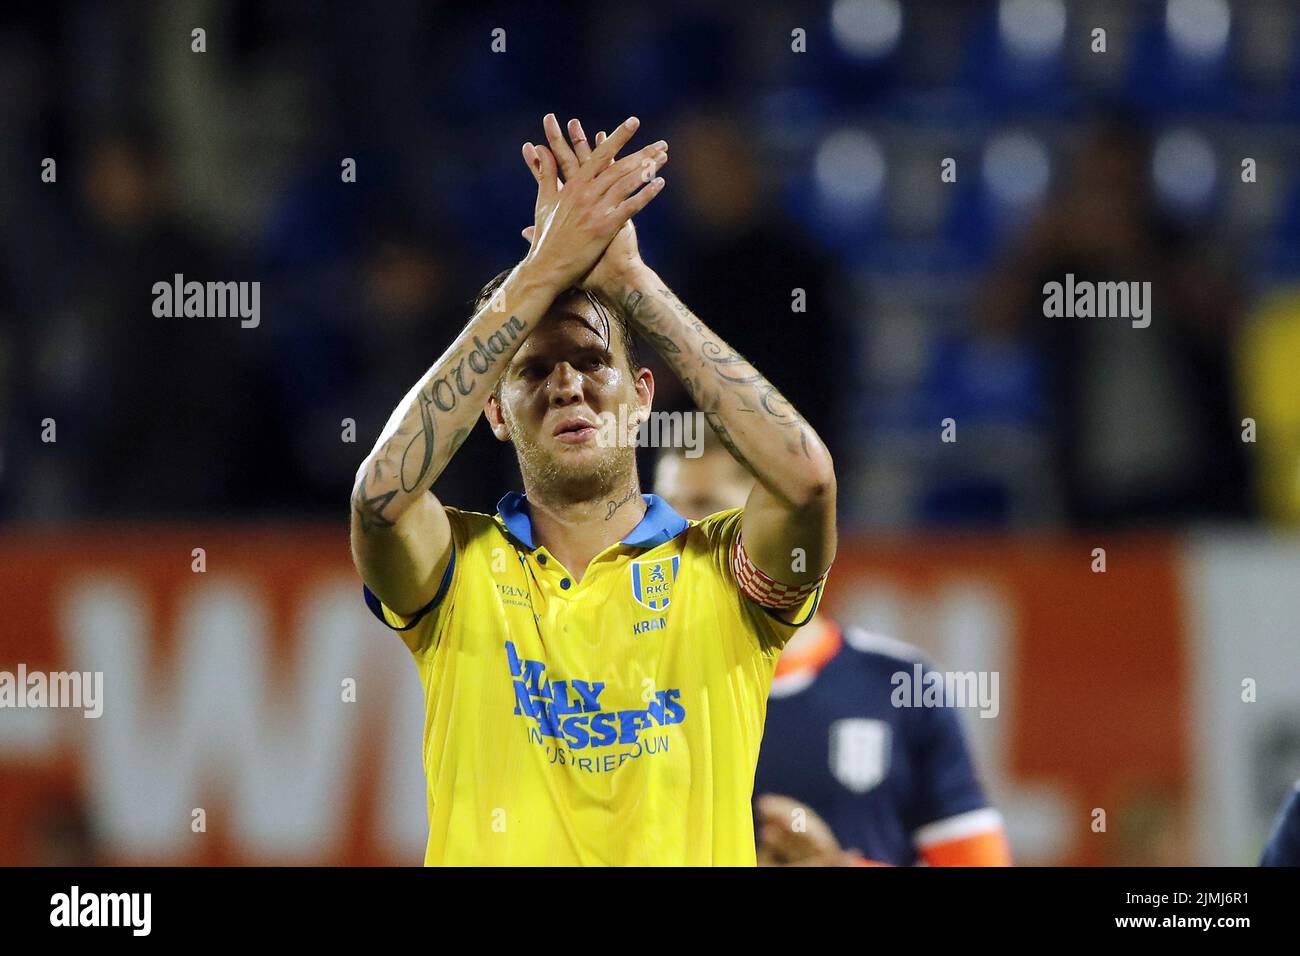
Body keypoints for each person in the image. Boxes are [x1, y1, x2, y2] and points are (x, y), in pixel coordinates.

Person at [350, 114, 837, 865]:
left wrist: (631, 284)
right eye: (534, 370)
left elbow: (806, 483)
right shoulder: (458, 571)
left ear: (644, 396)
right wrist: (542, 271)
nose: (568, 384)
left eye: (590, 359)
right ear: (495, 414)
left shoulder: (724, 575)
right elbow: (379, 501)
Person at [656, 439, 1009, 866]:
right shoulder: (621, 683)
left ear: (780, 520)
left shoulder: (900, 686)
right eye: (662, 509)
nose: (673, 533)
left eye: (702, 506)